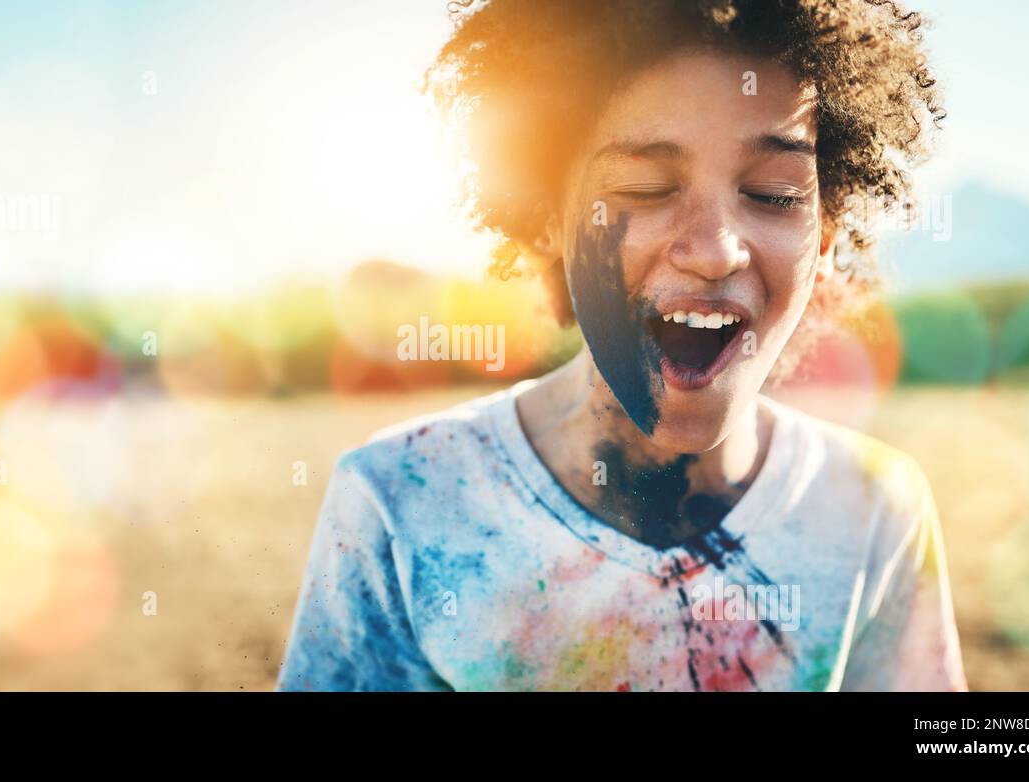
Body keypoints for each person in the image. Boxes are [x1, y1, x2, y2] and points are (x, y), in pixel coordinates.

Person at [278, 0, 966, 691]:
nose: (716, 251)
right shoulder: (402, 504)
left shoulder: (874, 508)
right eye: (645, 187)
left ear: (826, 232)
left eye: (773, 193)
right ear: (547, 213)